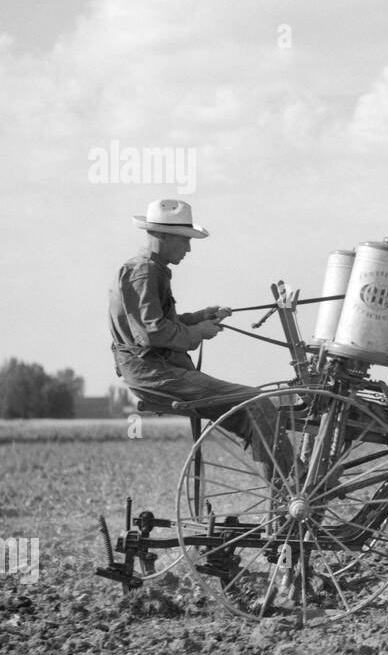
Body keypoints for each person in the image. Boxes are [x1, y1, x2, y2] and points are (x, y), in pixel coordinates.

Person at [109, 199, 290, 479]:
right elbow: (151, 333)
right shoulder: (145, 271)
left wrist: (200, 317)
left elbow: (159, 324)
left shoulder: (150, 269)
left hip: (156, 369)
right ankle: (295, 483)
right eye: (185, 240)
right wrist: (198, 333)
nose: (189, 249)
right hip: (155, 372)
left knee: (252, 413)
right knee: (255, 401)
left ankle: (285, 491)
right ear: (165, 236)